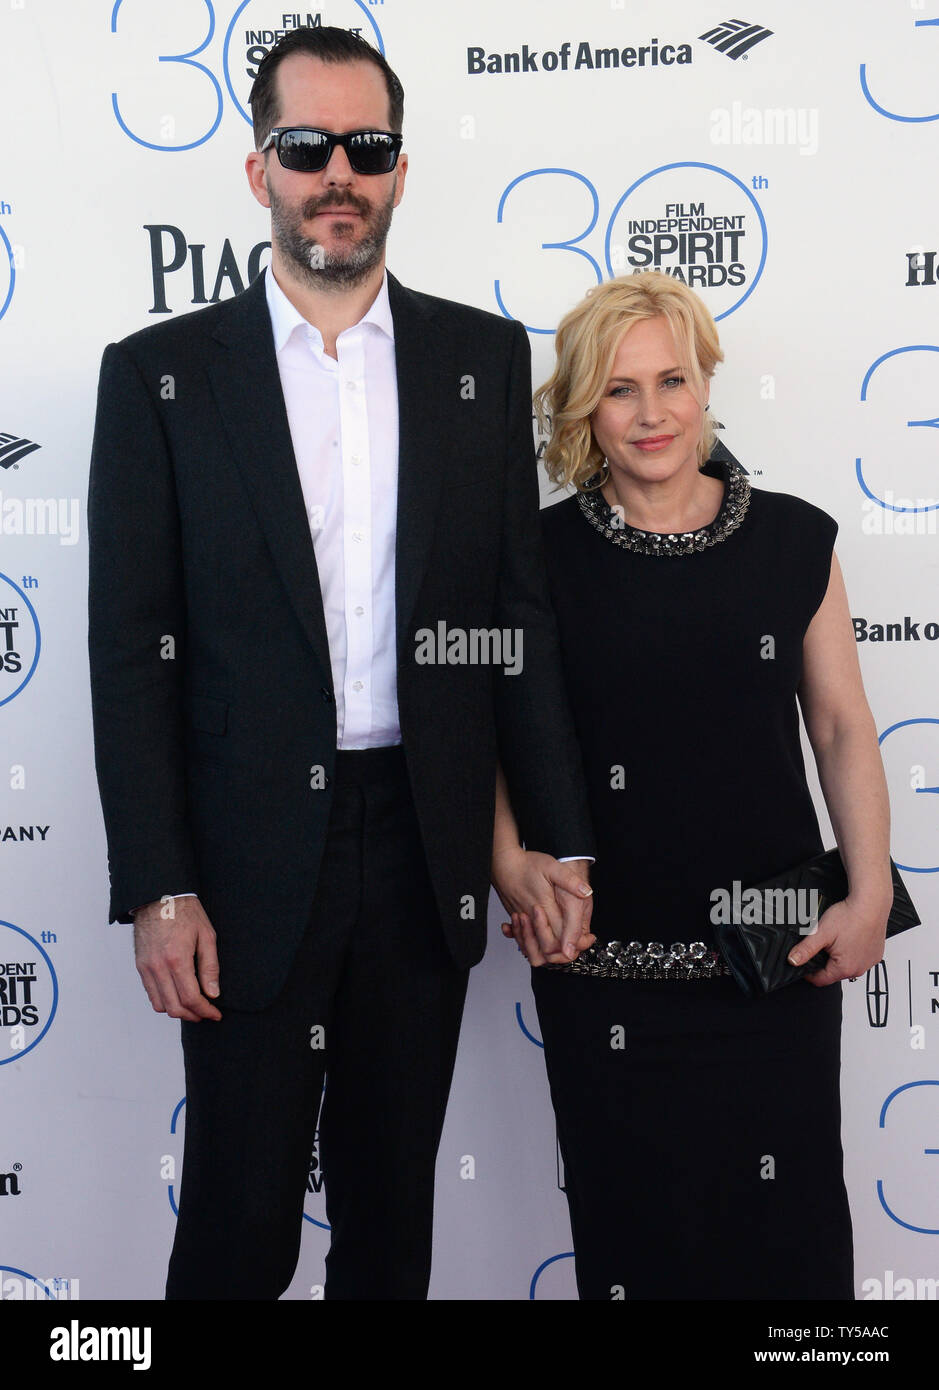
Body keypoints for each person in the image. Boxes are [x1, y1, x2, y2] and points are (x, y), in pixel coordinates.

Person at [87, 25, 596, 1301]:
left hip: (421, 849)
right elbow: (130, 652)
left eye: (365, 148)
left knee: (389, 1227)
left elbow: (513, 625)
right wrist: (158, 884)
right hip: (246, 862)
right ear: (259, 170)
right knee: (235, 1229)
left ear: (402, 170)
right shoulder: (157, 379)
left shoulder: (478, 363)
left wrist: (560, 841)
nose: (337, 174)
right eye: (305, 146)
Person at [490, 271, 893, 1301]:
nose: (651, 411)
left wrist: (871, 889)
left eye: (671, 379)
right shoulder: (537, 558)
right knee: (635, 1245)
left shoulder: (795, 540)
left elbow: (842, 723)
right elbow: (488, 739)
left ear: (706, 382)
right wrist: (508, 863)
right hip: (599, 967)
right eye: (619, 389)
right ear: (585, 405)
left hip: (776, 958)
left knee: (790, 1241)